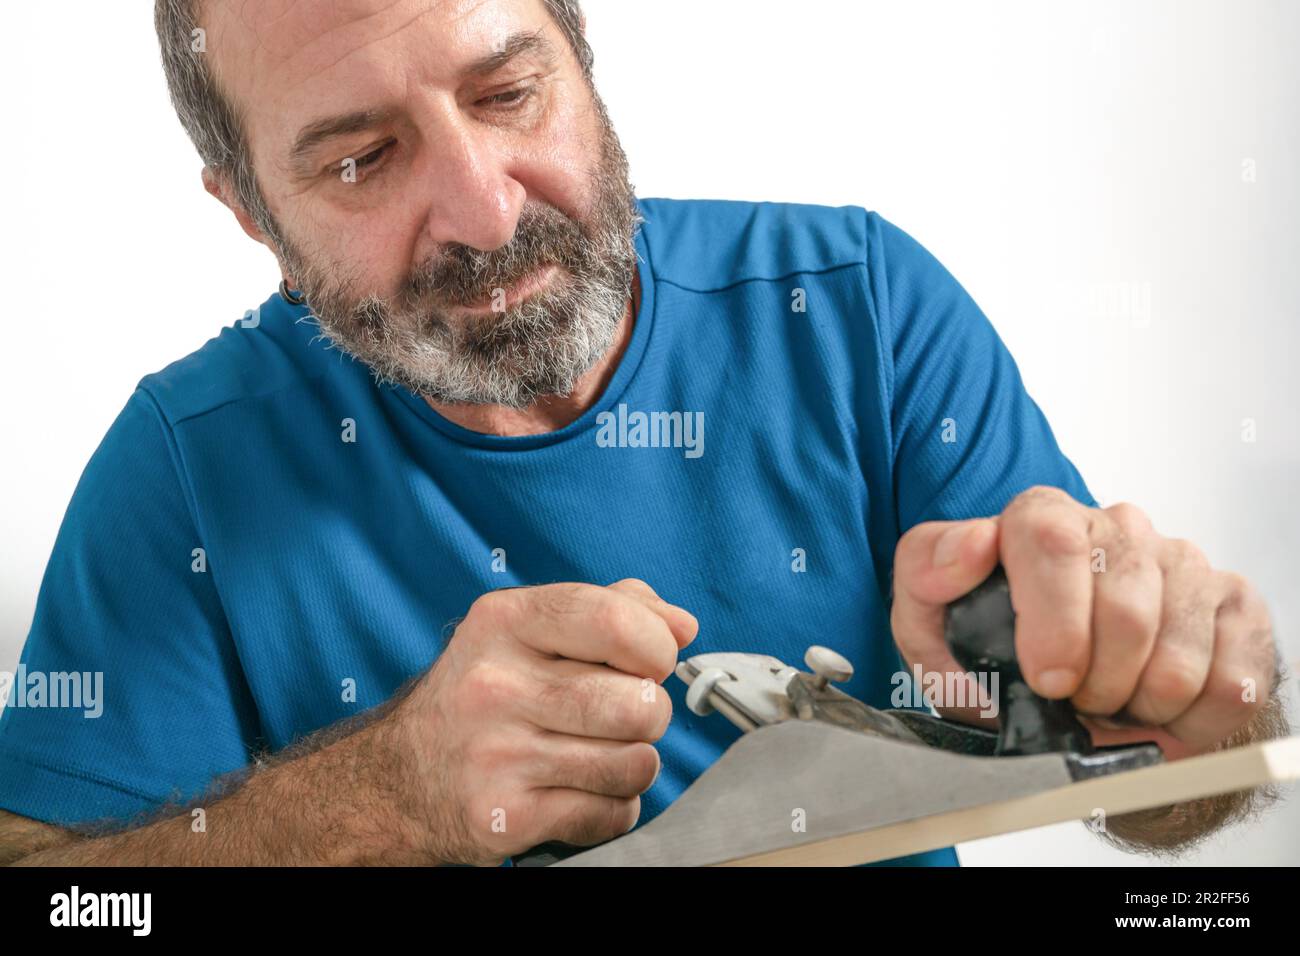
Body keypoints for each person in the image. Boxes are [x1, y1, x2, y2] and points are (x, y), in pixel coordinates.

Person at [0, 0, 1286, 866]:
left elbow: (1179, 785)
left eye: (507, 92)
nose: (486, 213)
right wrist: (374, 798)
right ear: (246, 208)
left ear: (581, 53)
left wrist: (1187, 697)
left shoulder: (855, 308)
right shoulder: (179, 467)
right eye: (360, 162)